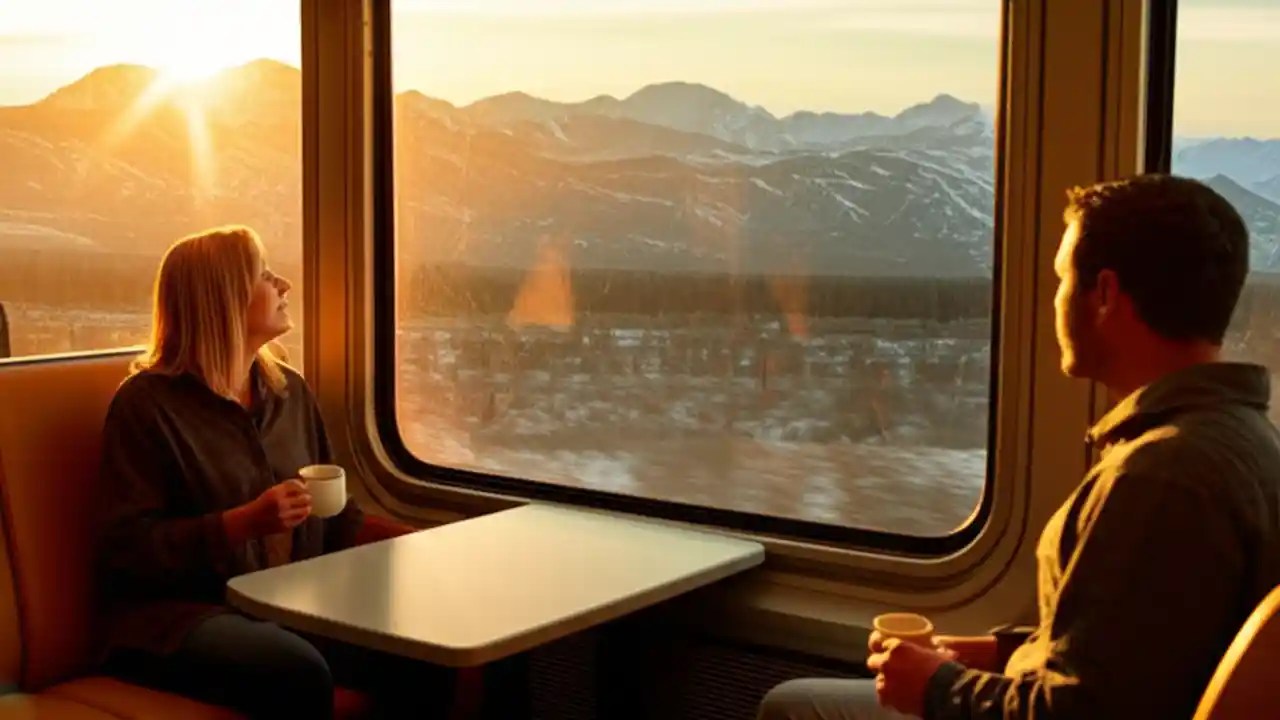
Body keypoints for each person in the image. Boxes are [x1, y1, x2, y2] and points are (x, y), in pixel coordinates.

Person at [757, 174, 1280, 719]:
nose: (1053, 300)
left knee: (794, 710)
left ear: (1103, 294)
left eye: (1060, 279)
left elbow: (1080, 712)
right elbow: (1146, 645)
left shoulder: (1158, 478)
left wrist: (938, 687)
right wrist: (999, 652)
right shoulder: (1242, 438)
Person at [95, 225, 453, 718]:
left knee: (426, 648)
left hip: (287, 603)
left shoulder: (290, 393)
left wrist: (413, 550)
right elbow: (127, 550)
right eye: (264, 275)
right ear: (224, 299)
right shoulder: (145, 408)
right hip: (180, 617)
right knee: (295, 669)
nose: (283, 283)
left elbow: (335, 515)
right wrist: (242, 523)